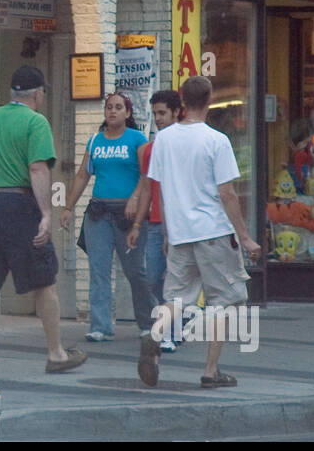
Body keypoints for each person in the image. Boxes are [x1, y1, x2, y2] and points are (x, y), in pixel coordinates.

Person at [126, 76, 261, 388]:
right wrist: (244, 237)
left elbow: (159, 189)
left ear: (182, 101)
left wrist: (168, 235)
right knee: (222, 302)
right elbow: (227, 194)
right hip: (213, 231)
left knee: (175, 297)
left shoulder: (164, 141)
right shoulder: (217, 141)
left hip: (179, 233)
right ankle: (210, 372)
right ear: (210, 98)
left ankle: (154, 336)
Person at [0, 65, 87, 374]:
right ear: (38, 93)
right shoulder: (35, 122)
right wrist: (45, 213)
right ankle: (56, 354)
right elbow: (38, 169)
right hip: (20, 204)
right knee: (44, 280)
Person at [60, 93, 149, 342]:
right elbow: (81, 176)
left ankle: (146, 322)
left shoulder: (137, 139)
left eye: (118, 107)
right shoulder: (95, 141)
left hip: (127, 213)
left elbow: (147, 175)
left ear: (127, 113)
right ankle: (100, 325)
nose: (112, 111)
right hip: (99, 212)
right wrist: (68, 207)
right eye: (109, 107)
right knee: (98, 269)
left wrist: (134, 198)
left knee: (135, 271)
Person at [125, 89, 182, 352]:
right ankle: (170, 325)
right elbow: (148, 186)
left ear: (176, 113)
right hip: (157, 221)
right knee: (153, 276)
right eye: (155, 113)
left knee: (177, 277)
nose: (158, 118)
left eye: (162, 113)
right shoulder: (152, 148)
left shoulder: (182, 143)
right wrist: (137, 223)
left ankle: (170, 330)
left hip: (182, 222)